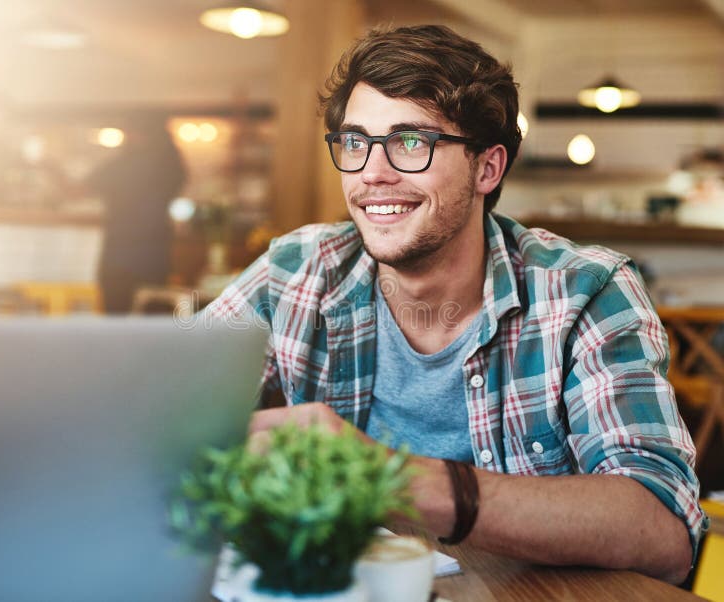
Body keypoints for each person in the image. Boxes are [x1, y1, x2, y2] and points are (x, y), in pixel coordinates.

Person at [204, 25, 706, 583]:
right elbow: (159, 420)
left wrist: (384, 475)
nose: (372, 173)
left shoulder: (583, 291)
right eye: (355, 143)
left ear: (487, 168)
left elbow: (664, 533)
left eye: (411, 142)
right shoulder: (295, 270)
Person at [85, 115, 186, 313]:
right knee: (152, 312)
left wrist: (50, 169)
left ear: (137, 133)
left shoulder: (124, 164)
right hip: (155, 253)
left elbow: (78, 189)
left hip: (121, 251)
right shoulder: (171, 164)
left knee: (117, 316)